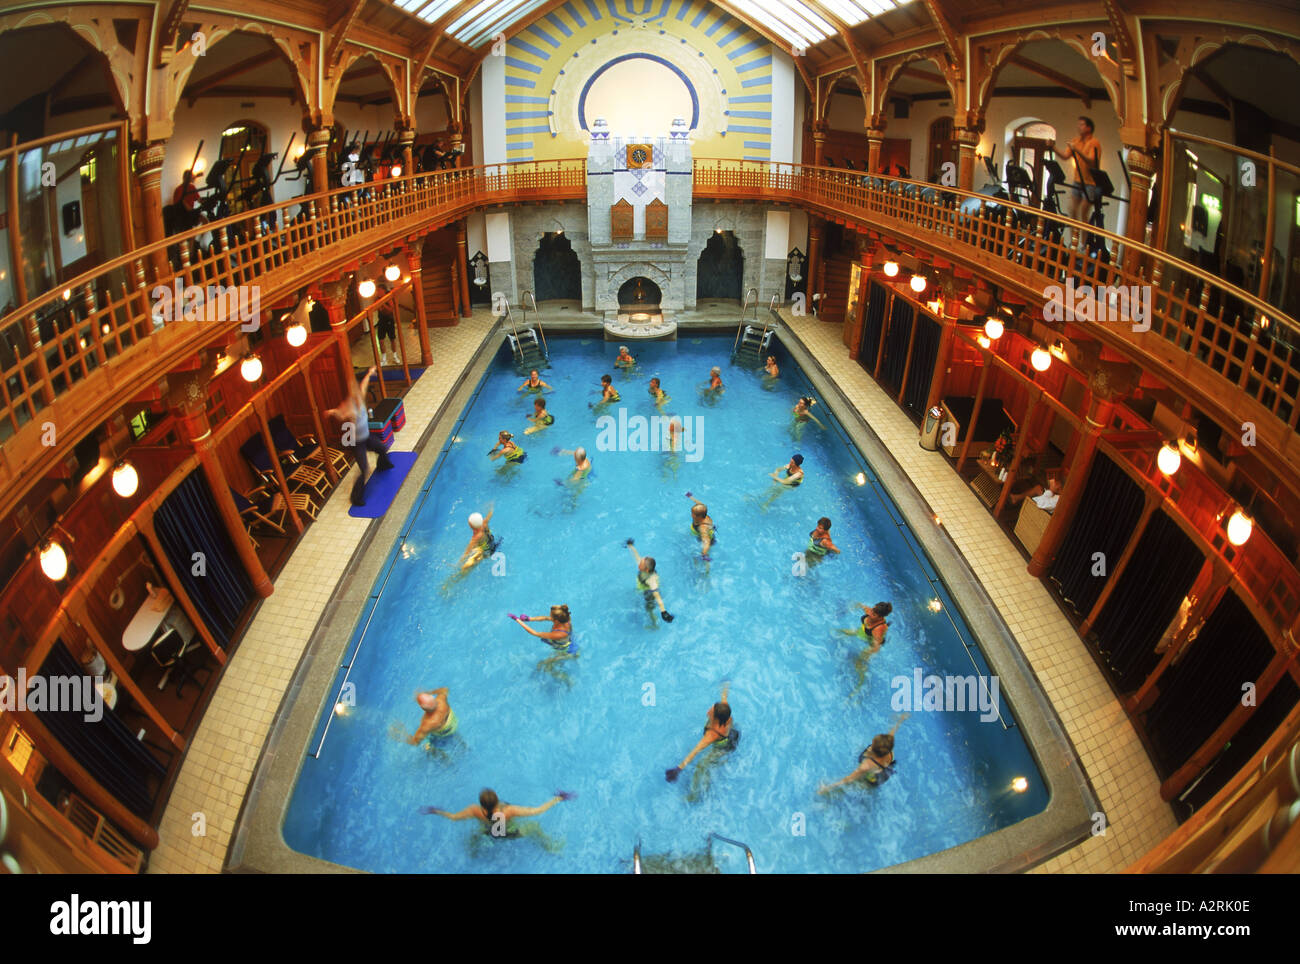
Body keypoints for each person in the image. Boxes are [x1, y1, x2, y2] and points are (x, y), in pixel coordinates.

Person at [327, 365, 395, 506]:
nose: (358, 395)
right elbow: (340, 414)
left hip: (366, 436)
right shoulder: (349, 406)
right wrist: (333, 412)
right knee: (364, 469)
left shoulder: (360, 395)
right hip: (356, 442)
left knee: (382, 448)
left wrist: (370, 372)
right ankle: (356, 498)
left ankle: (383, 465)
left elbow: (364, 383)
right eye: (355, 394)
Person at [422, 787, 573, 843]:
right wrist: (557, 799)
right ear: (497, 800)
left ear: (482, 805)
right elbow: (537, 811)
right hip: (509, 833)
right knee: (534, 827)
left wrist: (437, 811)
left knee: (475, 836)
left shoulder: (475, 810)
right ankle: (550, 846)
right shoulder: (508, 811)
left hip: (489, 833)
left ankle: (473, 850)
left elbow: (453, 817)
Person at [665, 681, 737, 783]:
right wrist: (725, 685)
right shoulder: (724, 709)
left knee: (701, 766)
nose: (708, 710)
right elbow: (724, 695)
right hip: (732, 733)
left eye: (711, 711)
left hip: (724, 747)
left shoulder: (711, 734)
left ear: (716, 718)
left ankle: (694, 795)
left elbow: (695, 751)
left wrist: (678, 769)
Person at [818, 717, 907, 794]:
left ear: (874, 751)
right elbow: (891, 733)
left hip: (874, 778)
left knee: (855, 785)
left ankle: (829, 795)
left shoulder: (866, 765)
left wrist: (827, 788)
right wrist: (900, 720)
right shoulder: (888, 747)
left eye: (873, 744)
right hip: (887, 769)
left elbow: (848, 780)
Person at [1057, 116, 1102, 233]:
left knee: (1083, 213)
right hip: (1078, 181)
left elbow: (1092, 161)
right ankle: (1074, 240)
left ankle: (1083, 244)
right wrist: (1052, 147)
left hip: (1090, 183)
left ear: (1089, 128)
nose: (1079, 127)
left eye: (1082, 125)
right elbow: (1065, 156)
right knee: (1072, 210)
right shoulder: (1076, 141)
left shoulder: (1094, 143)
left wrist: (1077, 150)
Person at [626, 539, 673, 622]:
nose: (640, 562)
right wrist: (631, 546)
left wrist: (663, 612)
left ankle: (654, 624)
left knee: (649, 609)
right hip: (642, 588)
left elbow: (657, 595)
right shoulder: (644, 567)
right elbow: (636, 556)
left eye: (641, 563)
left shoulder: (651, 580)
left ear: (646, 569)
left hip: (649, 594)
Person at [511, 605, 576, 655]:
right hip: (566, 639)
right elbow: (545, 618)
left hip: (563, 649)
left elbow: (535, 633)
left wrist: (517, 620)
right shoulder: (564, 619)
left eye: (551, 616)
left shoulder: (558, 634)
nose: (549, 617)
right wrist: (529, 619)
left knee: (542, 665)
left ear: (556, 620)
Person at [458, 505, 497, 570]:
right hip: (491, 541)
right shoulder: (484, 523)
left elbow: (467, 552)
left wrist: (460, 562)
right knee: (480, 547)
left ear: (471, 526)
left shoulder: (475, 538)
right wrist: (491, 507)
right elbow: (490, 514)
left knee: (476, 553)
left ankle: (464, 569)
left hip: (486, 551)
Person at [685, 492, 716, 559]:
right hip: (708, 530)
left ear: (699, 517)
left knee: (698, 553)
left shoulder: (702, 527)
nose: (691, 515)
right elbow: (700, 504)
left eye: (693, 514)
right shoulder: (703, 511)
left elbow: (706, 541)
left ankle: (706, 558)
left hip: (707, 538)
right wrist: (690, 497)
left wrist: (704, 553)